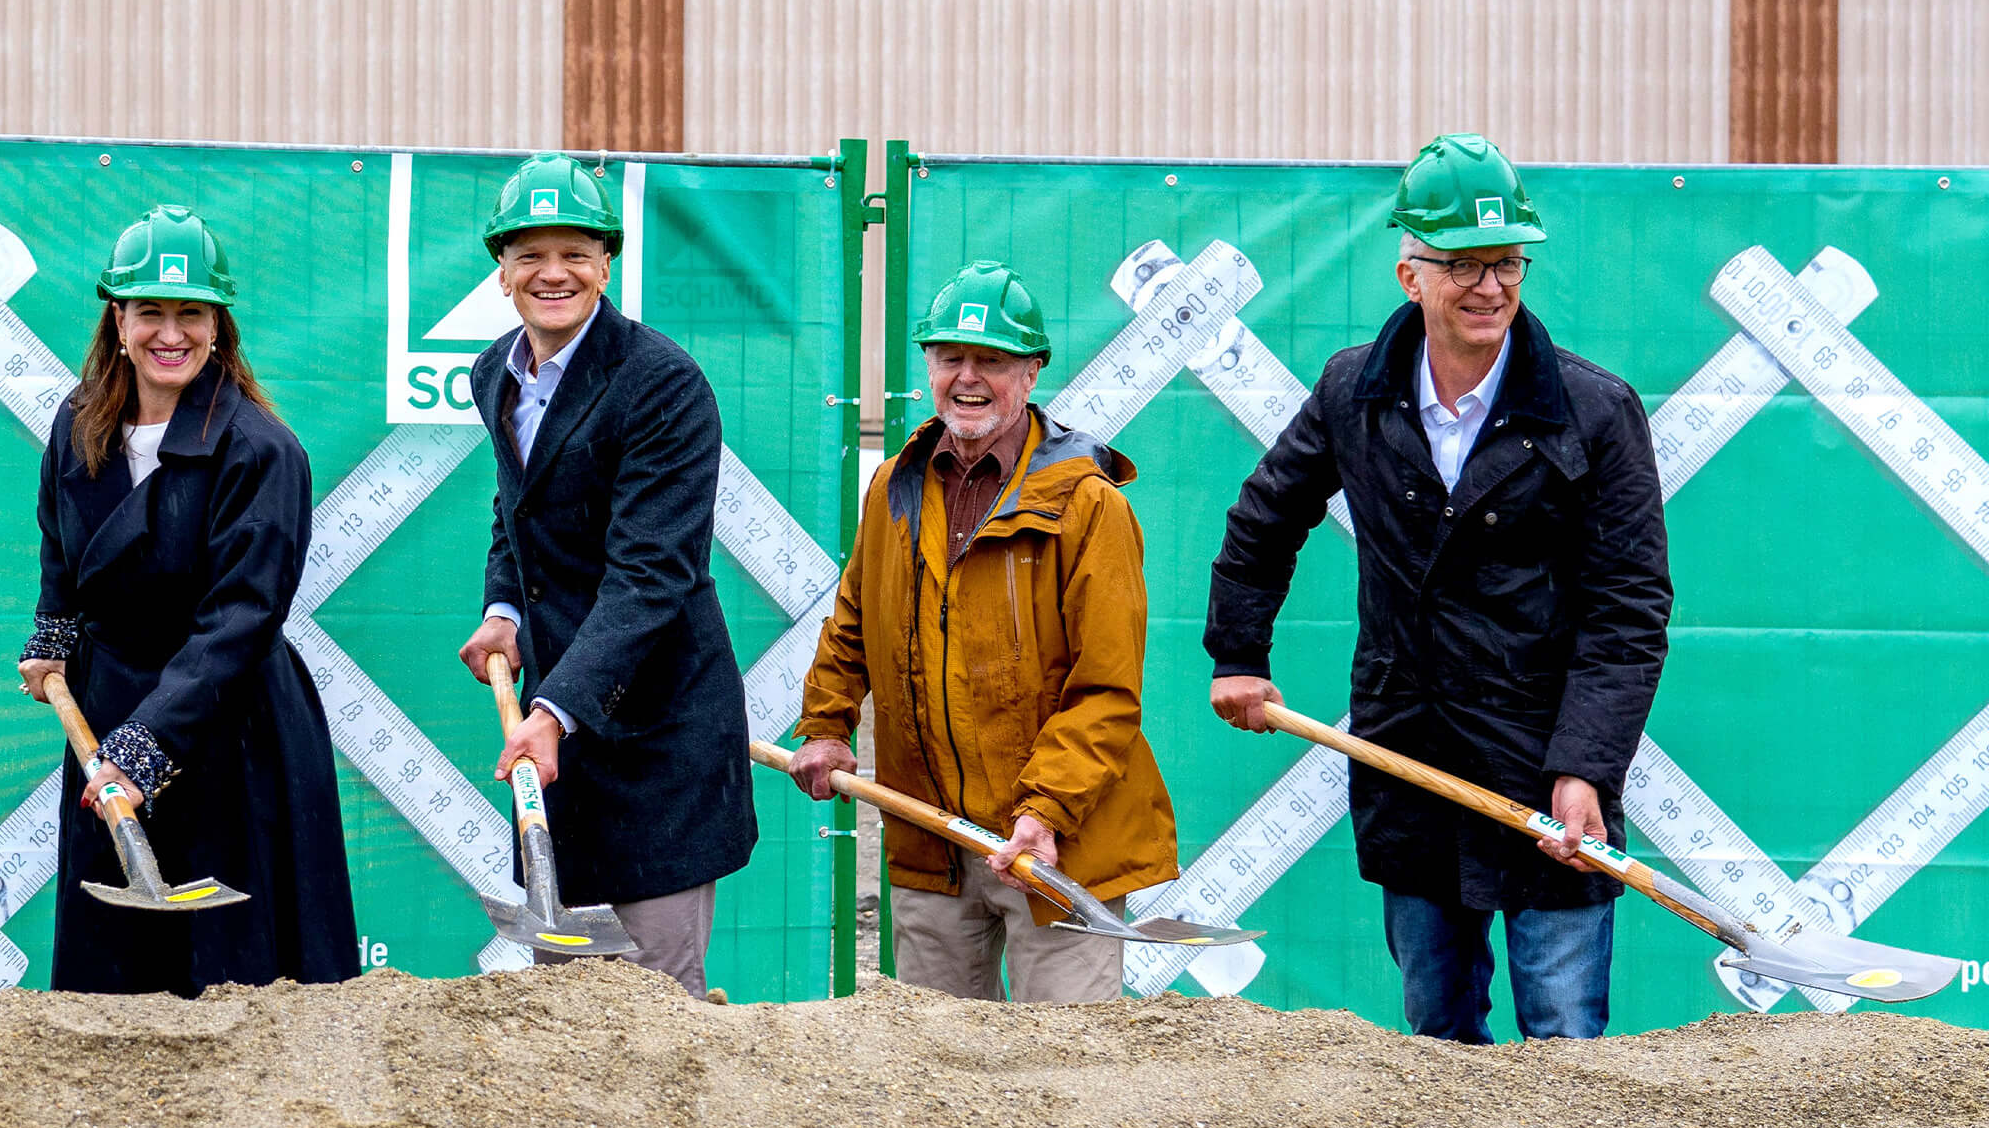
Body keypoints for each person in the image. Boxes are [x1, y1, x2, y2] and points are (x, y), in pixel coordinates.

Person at [1207, 134, 1672, 1043]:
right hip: (1408, 754)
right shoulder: (1353, 391)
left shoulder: (1595, 410)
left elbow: (1629, 608)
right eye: (1462, 264)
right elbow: (1265, 518)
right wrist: (1238, 653)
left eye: (1506, 263)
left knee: (1568, 1051)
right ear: (1409, 273)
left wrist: (1587, 768)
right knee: (1435, 1044)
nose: (1489, 287)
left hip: (1544, 767)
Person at [783, 263, 1178, 1003]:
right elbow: (854, 620)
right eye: (951, 358)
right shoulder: (896, 485)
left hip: (1058, 849)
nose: (969, 377)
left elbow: (1107, 692)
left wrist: (1046, 812)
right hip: (931, 835)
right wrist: (827, 723)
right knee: (941, 1082)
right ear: (929, 366)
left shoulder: (1089, 507)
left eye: (992, 360)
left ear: (1030, 373)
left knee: (1062, 1073)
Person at [19, 204, 357, 997]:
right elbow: (59, 544)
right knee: (115, 972)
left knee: (237, 974)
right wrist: (55, 633)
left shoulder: (262, 451)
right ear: (118, 318)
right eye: (150, 313)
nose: (170, 334)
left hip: (230, 721)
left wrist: (144, 748)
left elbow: (242, 618)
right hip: (106, 702)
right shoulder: (78, 424)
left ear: (218, 325)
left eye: (191, 314)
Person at [453, 154, 756, 998]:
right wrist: (505, 607)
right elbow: (516, 511)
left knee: (657, 1003)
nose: (555, 273)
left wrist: (553, 709)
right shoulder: (496, 374)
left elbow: (652, 575)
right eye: (532, 255)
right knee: (568, 1002)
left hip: (657, 737)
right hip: (565, 745)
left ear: (607, 264)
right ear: (503, 270)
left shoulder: (661, 383)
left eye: (576, 253)